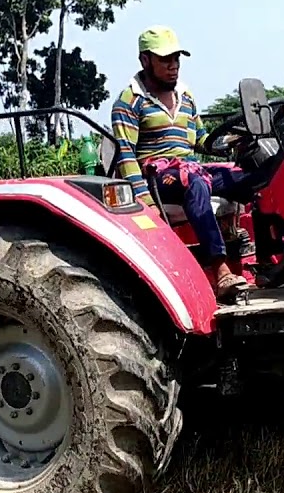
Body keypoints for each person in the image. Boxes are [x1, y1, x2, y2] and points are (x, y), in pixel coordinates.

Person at [110, 25, 258, 301]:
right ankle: (221, 270)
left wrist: (234, 143)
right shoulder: (129, 101)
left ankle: (268, 263)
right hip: (158, 177)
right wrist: (147, 204)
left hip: (190, 168)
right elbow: (126, 155)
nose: (173, 66)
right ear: (145, 60)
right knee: (194, 180)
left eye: (176, 59)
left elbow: (202, 139)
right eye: (165, 60)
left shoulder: (185, 96)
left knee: (255, 175)